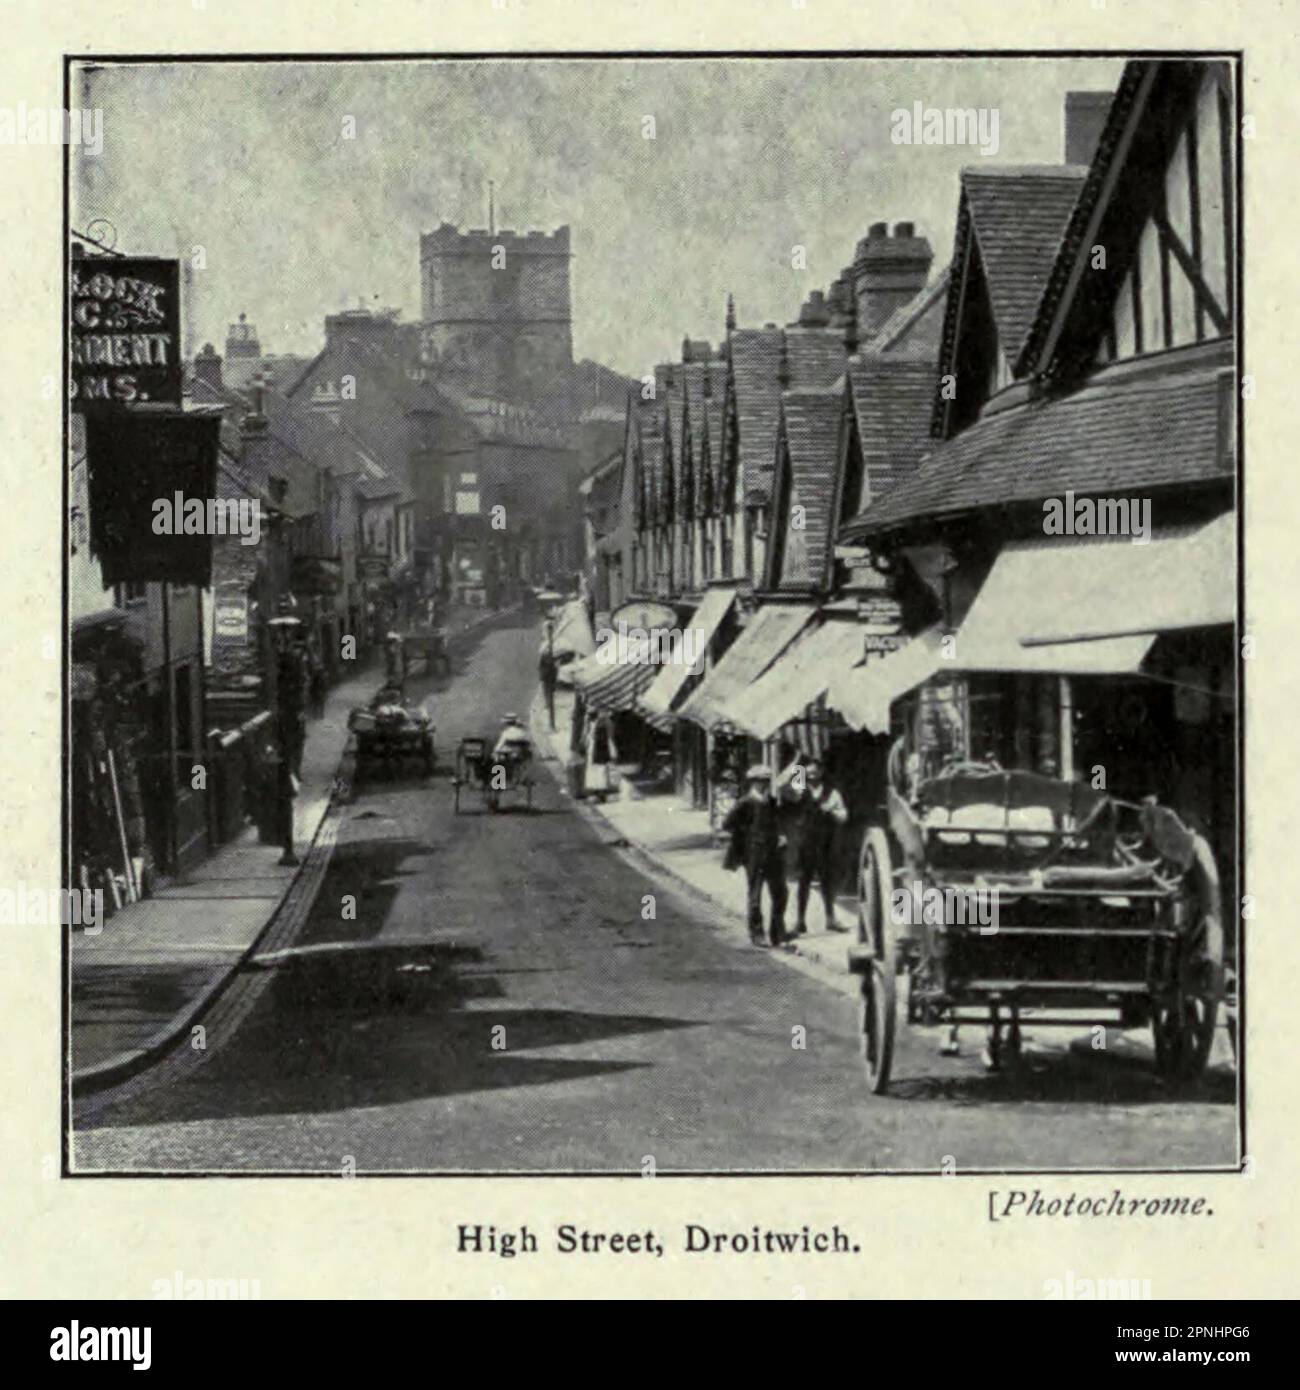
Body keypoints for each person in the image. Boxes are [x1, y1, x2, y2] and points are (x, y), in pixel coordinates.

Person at [776, 755, 849, 935]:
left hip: (826, 843)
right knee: (804, 882)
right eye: (809, 771)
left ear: (822, 772)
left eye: (816, 771)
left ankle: (831, 919)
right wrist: (795, 762)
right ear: (805, 773)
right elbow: (779, 785)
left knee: (827, 882)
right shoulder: (800, 788)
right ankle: (800, 921)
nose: (813, 774)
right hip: (805, 843)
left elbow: (844, 816)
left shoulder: (832, 793)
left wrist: (831, 810)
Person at [722, 765, 789, 947]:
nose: (764, 784)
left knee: (781, 893)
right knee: (755, 895)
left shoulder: (772, 802)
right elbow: (727, 824)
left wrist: (781, 836)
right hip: (754, 855)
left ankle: (777, 932)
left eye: (767, 781)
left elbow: (778, 822)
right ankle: (757, 933)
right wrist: (747, 838)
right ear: (753, 782)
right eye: (760, 781)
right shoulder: (745, 803)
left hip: (774, 854)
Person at [538, 645, 559, 730]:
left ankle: (548, 704)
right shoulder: (548, 658)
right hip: (548, 678)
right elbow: (541, 668)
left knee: (548, 692)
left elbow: (541, 668)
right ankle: (548, 704)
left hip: (549, 678)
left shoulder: (547, 658)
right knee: (548, 692)